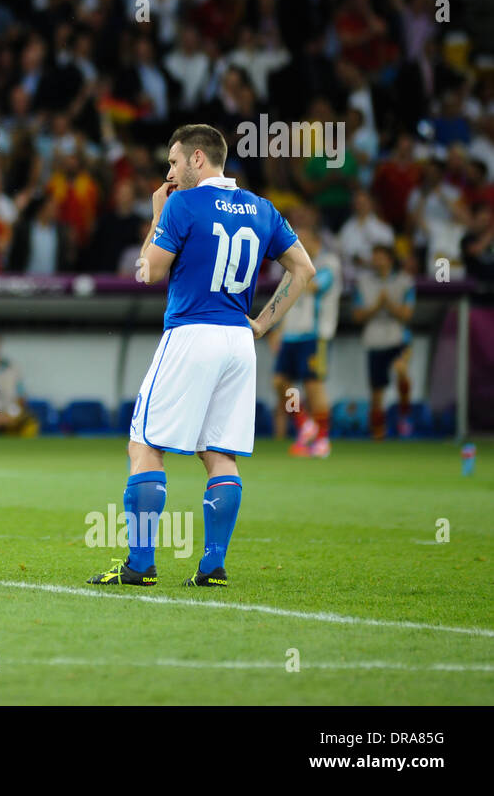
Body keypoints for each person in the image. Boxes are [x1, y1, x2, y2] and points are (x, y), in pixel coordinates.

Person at [90, 124, 314, 588]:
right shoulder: (261, 207)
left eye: (172, 162)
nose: (168, 172)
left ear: (197, 159)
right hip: (237, 341)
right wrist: (262, 324)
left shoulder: (182, 204)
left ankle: (140, 564)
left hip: (192, 334)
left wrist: (157, 215)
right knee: (220, 454)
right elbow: (304, 269)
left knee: (144, 445)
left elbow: (148, 271)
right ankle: (212, 566)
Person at [271, 222, 341, 457]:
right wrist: (277, 329)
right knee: (280, 382)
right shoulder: (294, 265)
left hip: (316, 333)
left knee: (313, 385)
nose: (296, 244)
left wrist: (296, 269)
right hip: (291, 333)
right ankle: (305, 425)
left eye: (301, 239)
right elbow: (285, 298)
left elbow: (314, 287)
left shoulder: (328, 263)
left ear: (315, 241)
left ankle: (322, 439)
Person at [352, 244, 415, 439]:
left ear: (389, 259)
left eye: (380, 256)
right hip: (374, 339)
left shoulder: (405, 282)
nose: (376, 261)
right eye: (374, 256)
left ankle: (404, 415)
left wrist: (388, 304)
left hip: (398, 337)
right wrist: (377, 306)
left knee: (401, 369)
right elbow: (358, 316)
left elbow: (406, 315)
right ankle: (378, 431)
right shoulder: (362, 282)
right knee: (377, 392)